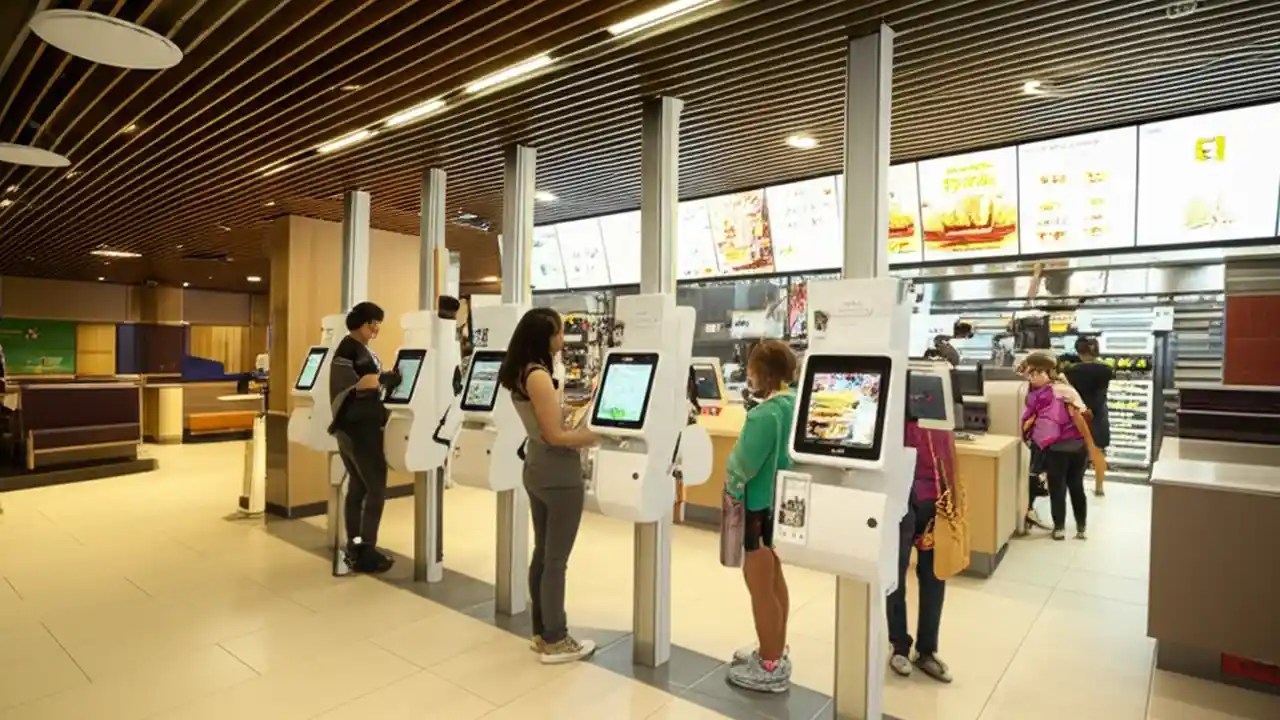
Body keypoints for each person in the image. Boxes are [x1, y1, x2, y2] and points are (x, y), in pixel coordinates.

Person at [498, 308, 598, 664]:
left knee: (543, 553)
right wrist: (595, 434)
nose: (562, 339)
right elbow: (555, 435)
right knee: (556, 559)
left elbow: (544, 426)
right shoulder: (539, 376)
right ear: (546, 336)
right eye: (559, 332)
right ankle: (556, 638)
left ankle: (542, 632)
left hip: (536, 468)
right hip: (558, 473)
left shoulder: (521, 372)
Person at [725, 339, 797, 693]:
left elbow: (742, 465)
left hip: (756, 508)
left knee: (758, 584)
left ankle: (769, 665)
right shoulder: (797, 405)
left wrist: (730, 488)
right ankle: (776, 649)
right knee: (774, 577)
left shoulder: (763, 415)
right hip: (783, 507)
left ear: (760, 372)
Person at [329, 302, 401, 573]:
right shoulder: (351, 349)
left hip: (349, 428)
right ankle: (366, 549)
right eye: (375, 323)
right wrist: (384, 379)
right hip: (361, 429)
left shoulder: (352, 348)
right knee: (375, 488)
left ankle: (355, 545)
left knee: (358, 487)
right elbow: (359, 383)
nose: (377, 328)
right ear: (365, 323)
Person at [888, 417, 957, 683]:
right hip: (900, 498)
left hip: (936, 499)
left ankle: (927, 650)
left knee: (934, 576)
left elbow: (949, 452)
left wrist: (954, 496)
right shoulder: (896, 400)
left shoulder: (940, 403)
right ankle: (899, 645)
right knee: (895, 575)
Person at [1020, 353, 1090, 540]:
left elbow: (1027, 420)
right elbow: (1084, 413)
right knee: (1076, 486)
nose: (1031, 378)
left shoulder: (1039, 394)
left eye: (1035, 374)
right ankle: (1080, 527)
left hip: (1056, 447)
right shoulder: (1066, 389)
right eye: (1029, 374)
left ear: (1047, 372)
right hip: (1077, 446)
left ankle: (1060, 527)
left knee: (1058, 488)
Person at [1064, 337, 1112, 496]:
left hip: (1078, 414)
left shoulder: (1071, 371)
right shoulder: (1106, 369)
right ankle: (1099, 487)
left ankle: (1075, 486)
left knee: (1076, 453)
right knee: (1098, 452)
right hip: (1099, 414)